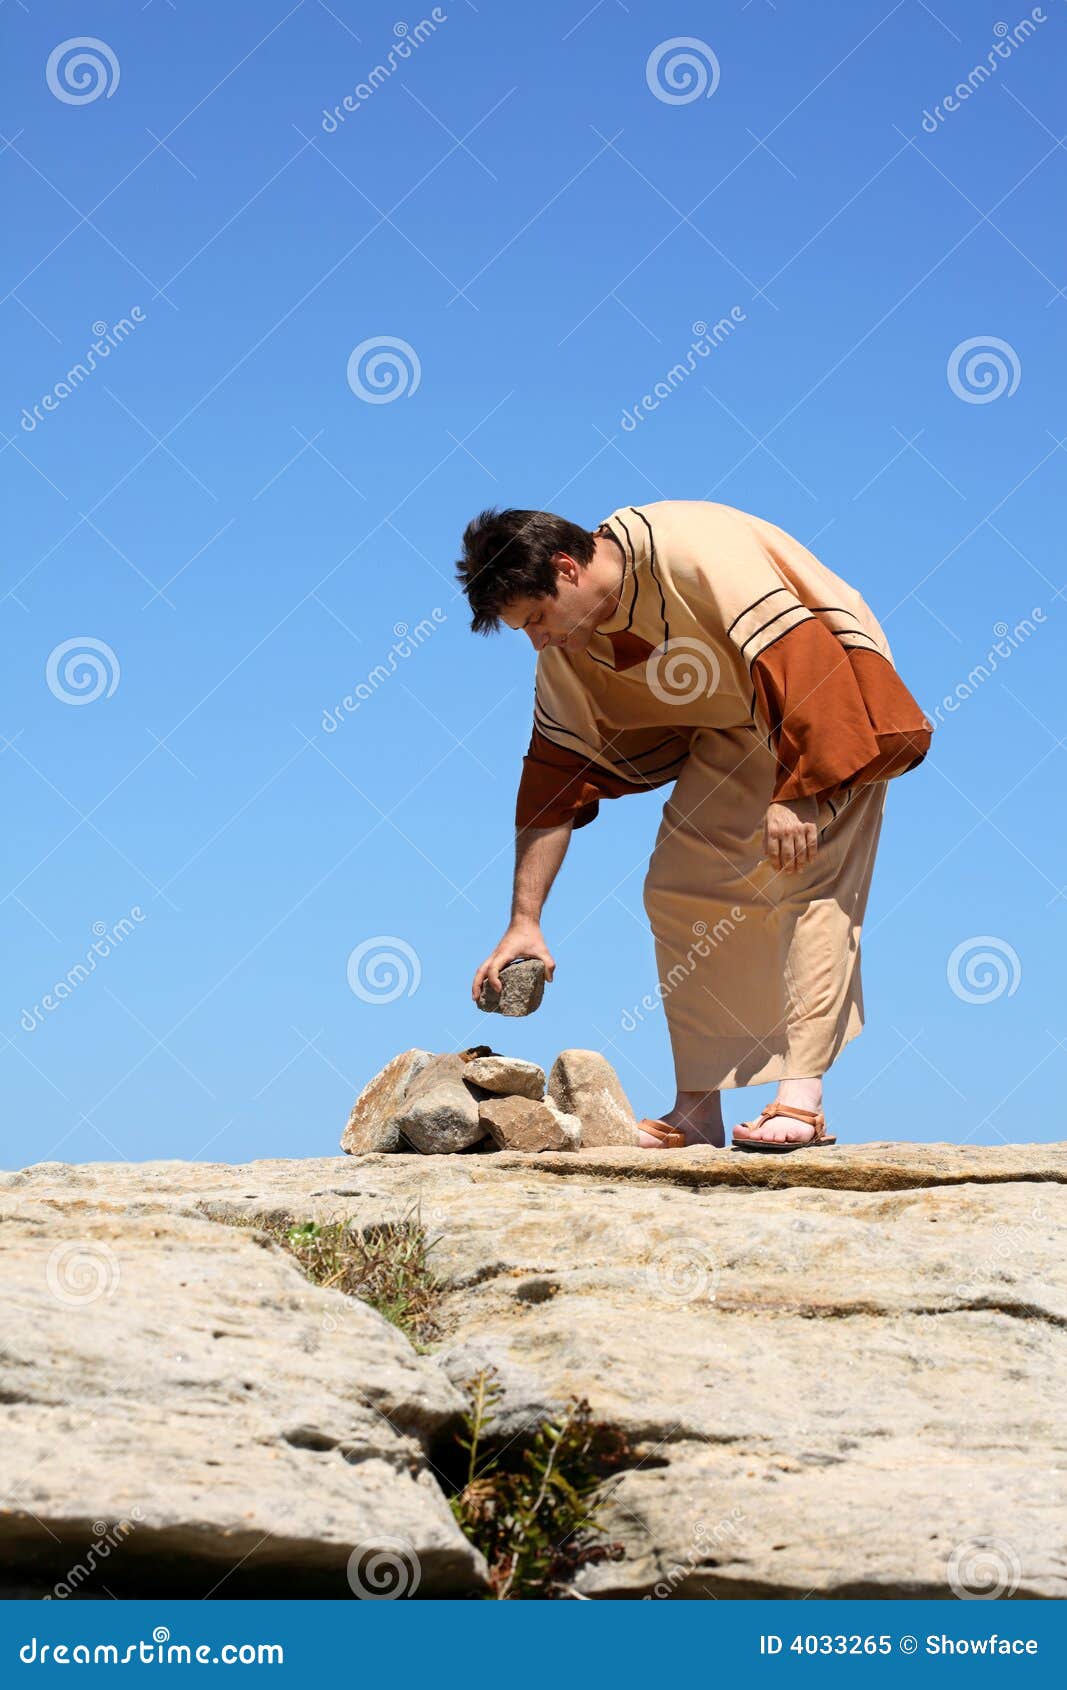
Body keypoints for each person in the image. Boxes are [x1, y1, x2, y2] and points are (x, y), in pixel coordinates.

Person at [457, 500, 931, 1152]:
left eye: (535, 619)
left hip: (827, 691)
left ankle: (800, 1099)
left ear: (567, 568)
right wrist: (525, 920)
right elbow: (551, 783)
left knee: (804, 877)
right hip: (733, 724)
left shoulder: (689, 547)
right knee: (677, 885)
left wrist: (801, 791)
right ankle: (696, 1110)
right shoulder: (567, 649)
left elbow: (798, 650)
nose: (536, 639)